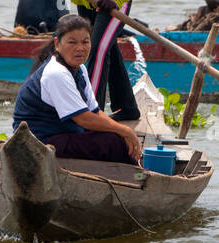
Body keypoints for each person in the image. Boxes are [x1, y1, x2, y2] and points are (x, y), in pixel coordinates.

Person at [12, 14, 143, 165]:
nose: (80, 48)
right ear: (57, 43)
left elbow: (94, 111)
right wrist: (125, 131)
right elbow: (83, 119)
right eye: (72, 42)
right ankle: (136, 179)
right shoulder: (56, 72)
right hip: (37, 142)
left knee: (114, 135)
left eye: (85, 42)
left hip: (60, 133)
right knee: (112, 143)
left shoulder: (79, 68)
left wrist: (121, 131)